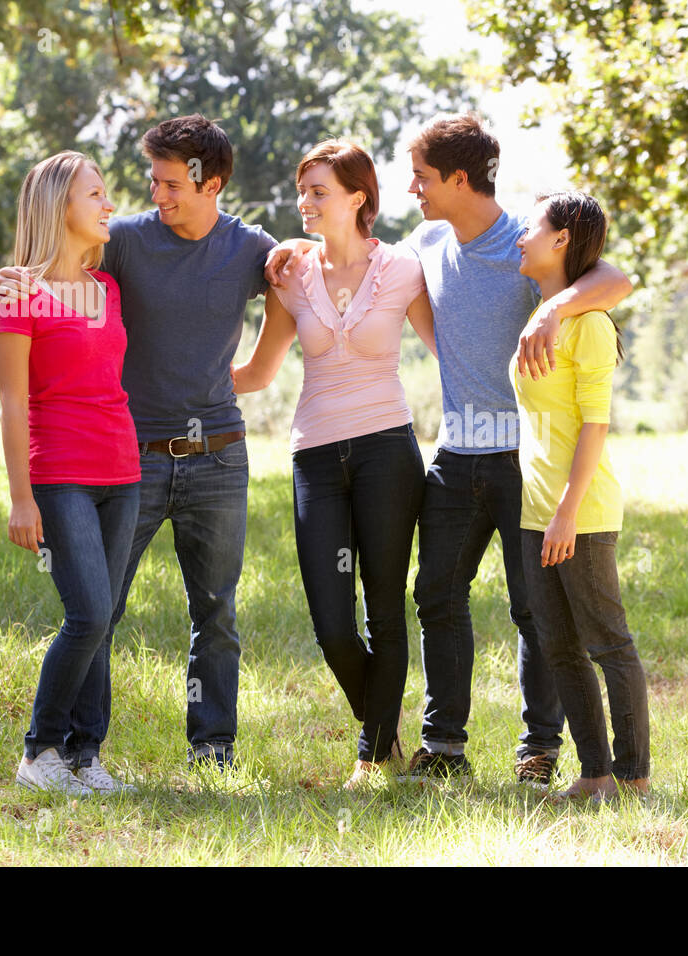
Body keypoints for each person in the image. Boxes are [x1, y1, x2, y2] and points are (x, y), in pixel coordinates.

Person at [266, 113, 633, 786]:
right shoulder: (428, 242)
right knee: (435, 595)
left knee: (533, 609)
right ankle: (444, 747)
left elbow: (617, 280)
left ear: (460, 178)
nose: (412, 188)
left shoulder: (527, 243)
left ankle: (539, 749)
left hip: (523, 460)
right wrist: (299, 237)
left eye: (423, 176)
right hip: (454, 456)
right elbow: (355, 249)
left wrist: (553, 309)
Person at [0, 116, 285, 770]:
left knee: (216, 613)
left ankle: (207, 750)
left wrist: (261, 364)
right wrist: (1, 281)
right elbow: (46, 265)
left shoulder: (251, 249)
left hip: (214, 456)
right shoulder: (121, 244)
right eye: (152, 180)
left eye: (171, 183)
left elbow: (305, 282)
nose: (155, 195)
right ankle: (64, 751)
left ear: (213, 183)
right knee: (99, 611)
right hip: (122, 459)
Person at [232, 140, 435, 787]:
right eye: (303, 192)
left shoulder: (403, 268)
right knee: (331, 625)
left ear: (358, 197)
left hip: (386, 449)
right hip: (314, 454)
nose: (305, 203)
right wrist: (177, 376)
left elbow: (447, 348)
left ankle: (373, 756)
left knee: (385, 609)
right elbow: (260, 370)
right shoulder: (290, 275)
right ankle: (385, 735)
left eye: (318, 191)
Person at [0, 150, 140, 795]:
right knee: (88, 613)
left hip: (122, 469)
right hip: (60, 474)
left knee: (105, 617)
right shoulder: (19, 295)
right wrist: (21, 498)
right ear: (58, 208)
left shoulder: (106, 288)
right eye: (95, 195)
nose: (109, 205)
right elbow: (13, 403)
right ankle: (39, 749)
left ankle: (86, 756)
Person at [511, 191, 649, 801]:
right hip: (534, 511)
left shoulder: (588, 324)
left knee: (608, 644)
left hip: (580, 512)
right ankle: (594, 776)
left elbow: (596, 424)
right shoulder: (546, 314)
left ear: (562, 238)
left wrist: (567, 513)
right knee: (560, 647)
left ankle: (634, 777)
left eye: (533, 227)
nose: (521, 236)